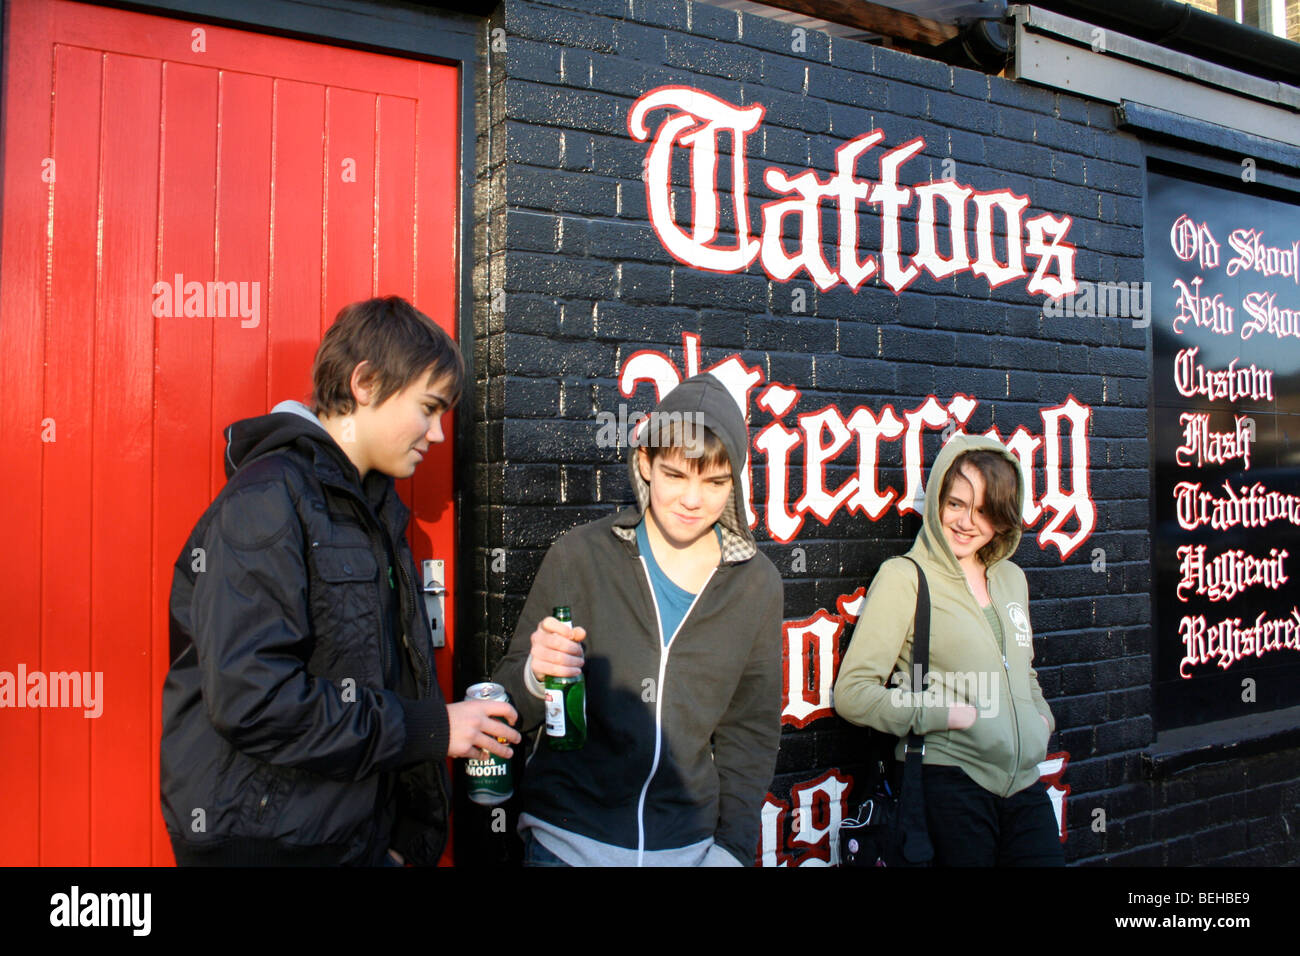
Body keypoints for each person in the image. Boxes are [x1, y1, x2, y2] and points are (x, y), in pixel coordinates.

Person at [160, 296, 519, 866]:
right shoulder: (267, 500)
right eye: (428, 408)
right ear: (366, 382)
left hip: (350, 844)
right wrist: (432, 728)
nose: (438, 435)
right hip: (269, 848)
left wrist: (399, 843)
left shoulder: (372, 513)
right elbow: (253, 699)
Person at [492, 372, 783, 866]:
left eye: (715, 482)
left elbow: (750, 733)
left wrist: (731, 851)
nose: (693, 500)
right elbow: (506, 707)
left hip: (689, 850)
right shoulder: (579, 557)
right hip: (565, 843)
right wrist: (532, 676)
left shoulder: (757, 583)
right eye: (676, 475)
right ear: (645, 463)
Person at [833, 433, 1063, 866]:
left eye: (984, 511)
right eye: (956, 504)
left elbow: (1023, 670)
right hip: (948, 783)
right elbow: (853, 693)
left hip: (1025, 786)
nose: (966, 522)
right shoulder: (905, 577)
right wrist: (941, 715)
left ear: (1003, 517)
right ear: (937, 499)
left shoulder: (1012, 579)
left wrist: (1041, 719)